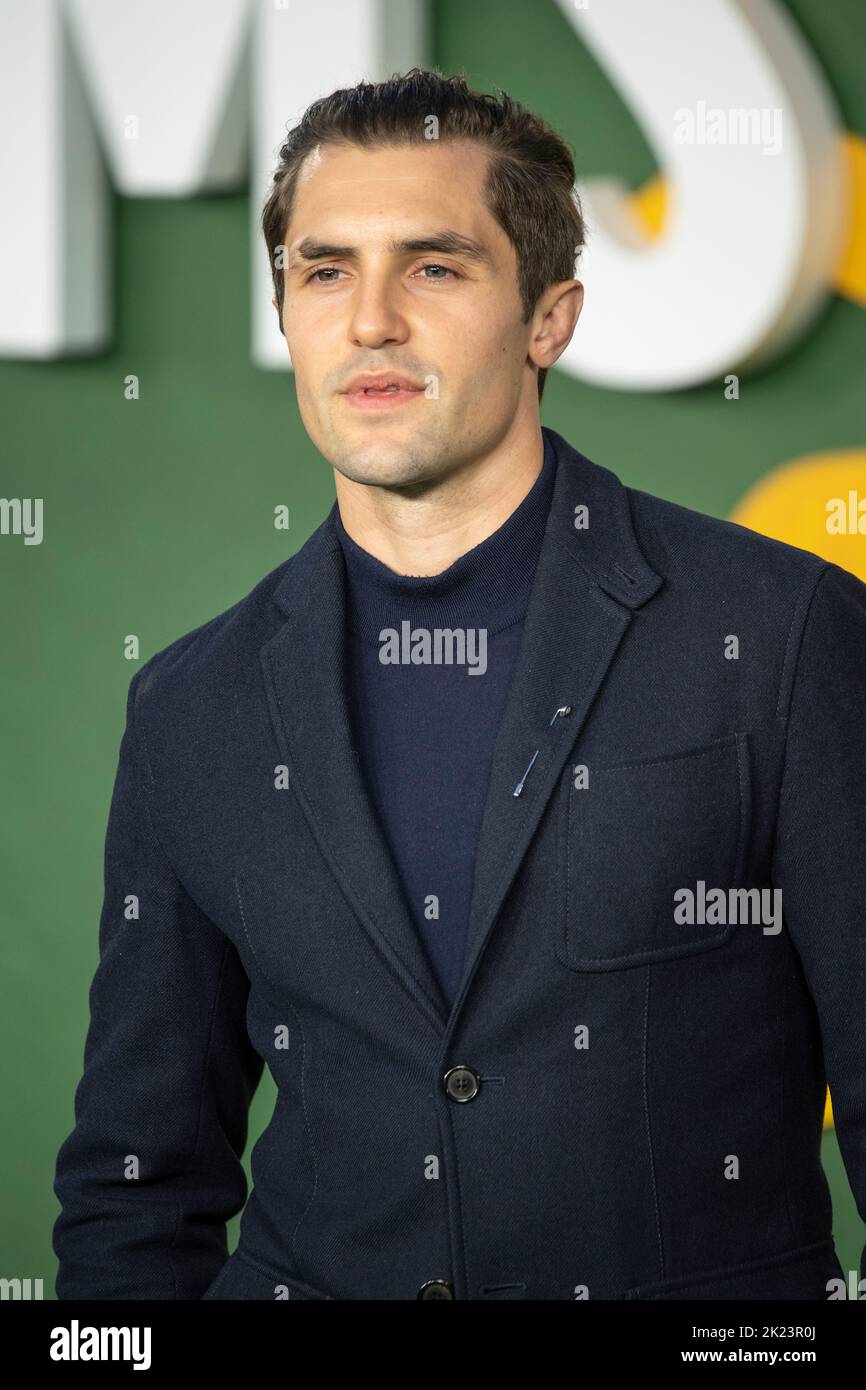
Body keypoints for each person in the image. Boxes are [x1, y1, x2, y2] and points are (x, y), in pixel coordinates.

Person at [53, 67, 866, 1301]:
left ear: (549, 318)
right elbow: (135, 1183)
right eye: (323, 270)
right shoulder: (188, 706)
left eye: (433, 266)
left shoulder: (783, 631)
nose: (369, 319)